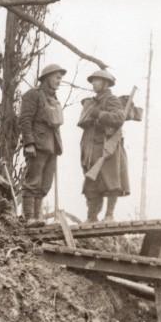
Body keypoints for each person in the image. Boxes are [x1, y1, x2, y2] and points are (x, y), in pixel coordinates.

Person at [18, 64, 67, 225]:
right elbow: (25, 119)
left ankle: (37, 217)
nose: (59, 81)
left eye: (60, 78)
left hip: (52, 146)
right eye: (57, 77)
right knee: (33, 181)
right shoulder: (33, 95)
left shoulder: (54, 99)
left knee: (45, 184)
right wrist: (29, 143)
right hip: (37, 144)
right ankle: (29, 217)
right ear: (47, 78)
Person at [78, 69, 128, 222]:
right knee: (92, 183)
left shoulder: (111, 100)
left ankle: (109, 215)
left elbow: (120, 117)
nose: (93, 83)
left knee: (111, 181)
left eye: (97, 80)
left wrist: (100, 114)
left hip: (108, 147)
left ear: (105, 83)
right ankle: (92, 216)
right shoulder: (91, 102)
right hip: (91, 147)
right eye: (92, 81)